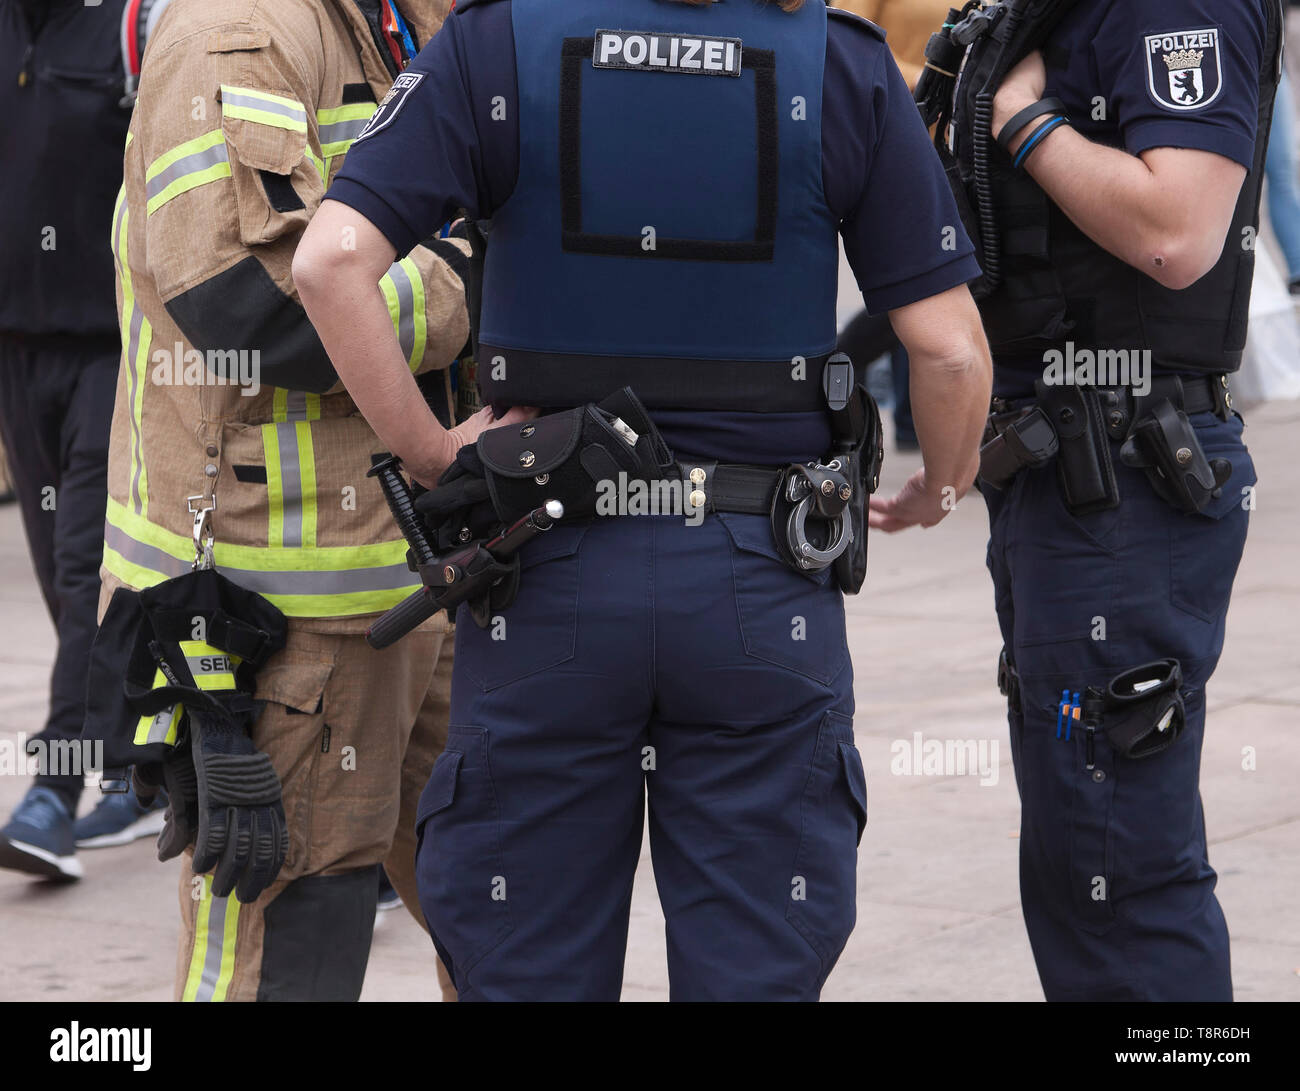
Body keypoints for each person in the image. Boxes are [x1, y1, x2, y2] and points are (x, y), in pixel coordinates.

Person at [295, 0, 992, 1001]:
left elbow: (327, 263)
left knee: (523, 961)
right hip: (760, 584)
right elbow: (951, 346)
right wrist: (943, 481)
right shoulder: (838, 61)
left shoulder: (495, 45)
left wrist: (433, 454)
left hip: (548, 578)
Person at [103, 0, 491, 1001]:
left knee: (501, 909)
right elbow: (258, 311)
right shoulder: (239, 31)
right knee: (289, 958)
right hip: (287, 624)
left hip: (414, 578)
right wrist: (468, 279)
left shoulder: (376, 25)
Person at [914, 0, 1281, 1000]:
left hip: (1125, 476)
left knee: (1120, 858)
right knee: (1085, 852)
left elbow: (1177, 232)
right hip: (1065, 471)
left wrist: (1026, 126)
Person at [0, 0, 169, 880]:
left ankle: (53, 793)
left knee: (82, 566)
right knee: (70, 591)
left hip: (110, 352)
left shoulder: (130, 25)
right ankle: (141, 760)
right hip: (16, 357)